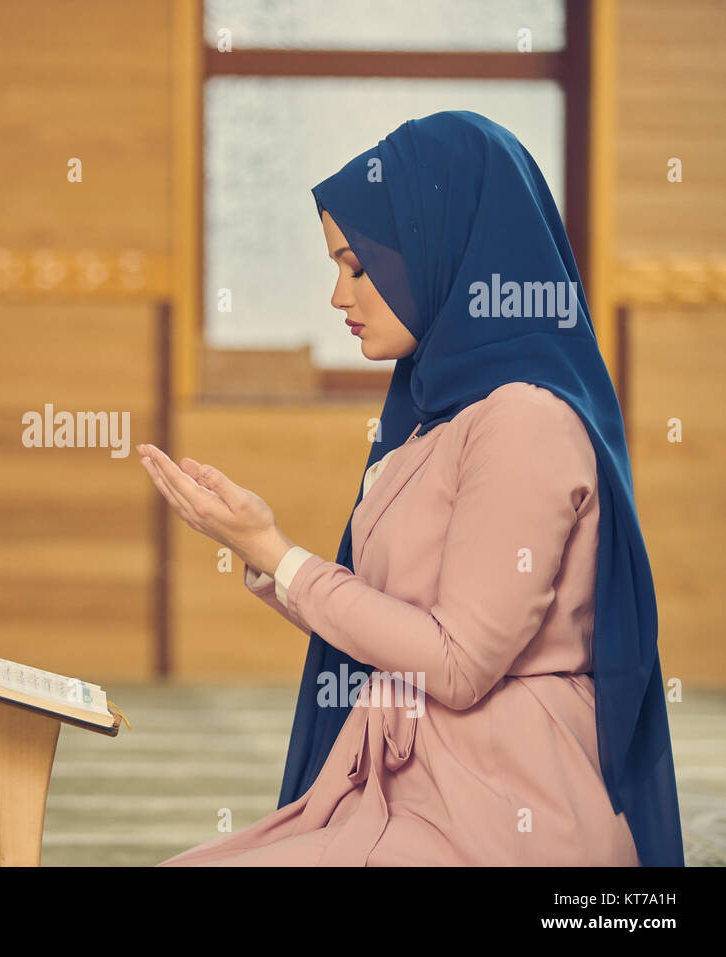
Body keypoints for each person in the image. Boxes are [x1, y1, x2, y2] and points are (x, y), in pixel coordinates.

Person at [138, 110, 683, 866]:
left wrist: (282, 553)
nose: (339, 295)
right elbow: (400, 625)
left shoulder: (524, 420)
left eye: (358, 267)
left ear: (442, 253)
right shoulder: (436, 418)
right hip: (416, 790)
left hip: (504, 808)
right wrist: (257, 546)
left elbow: (455, 663)